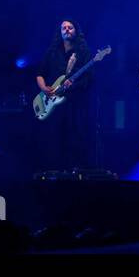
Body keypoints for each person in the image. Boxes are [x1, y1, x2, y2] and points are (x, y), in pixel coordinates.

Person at [35, 19, 94, 172]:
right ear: (60, 32)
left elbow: (88, 79)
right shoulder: (52, 52)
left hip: (74, 102)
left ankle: (75, 170)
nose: (67, 30)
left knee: (74, 134)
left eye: (70, 27)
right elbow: (40, 73)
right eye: (64, 28)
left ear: (76, 30)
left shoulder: (83, 52)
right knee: (54, 136)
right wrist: (44, 88)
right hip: (52, 101)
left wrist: (73, 84)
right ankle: (53, 169)